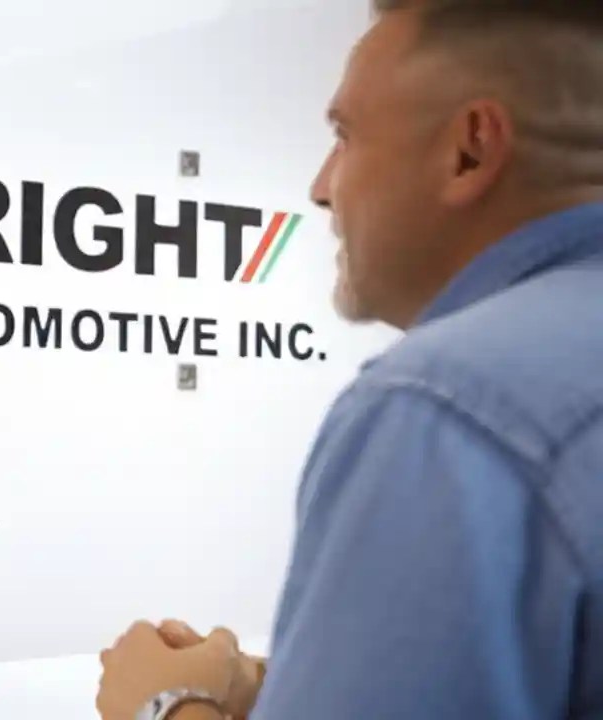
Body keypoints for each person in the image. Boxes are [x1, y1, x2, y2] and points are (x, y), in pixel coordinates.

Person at [97, 1, 603, 718]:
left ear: (470, 148)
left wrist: (162, 704)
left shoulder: (443, 407)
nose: (320, 186)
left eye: (345, 134)